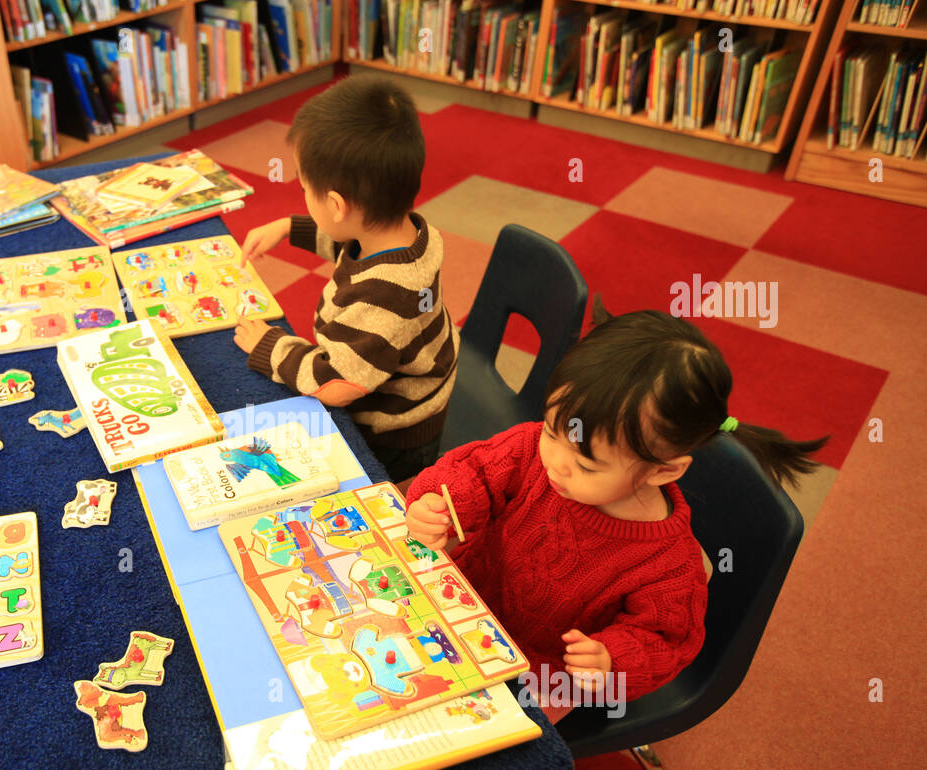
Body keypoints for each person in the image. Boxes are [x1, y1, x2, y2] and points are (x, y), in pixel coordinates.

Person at [404, 302, 827, 718]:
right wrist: (440, 504)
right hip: (463, 604)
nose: (556, 462)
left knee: (475, 762)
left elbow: (666, 640)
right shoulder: (534, 450)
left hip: (540, 675)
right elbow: (472, 471)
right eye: (553, 432)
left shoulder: (667, 564)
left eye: (587, 464)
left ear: (663, 471)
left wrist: (611, 660)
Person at [233, 76, 457, 483]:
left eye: (303, 184)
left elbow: (336, 384)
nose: (300, 190)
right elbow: (349, 242)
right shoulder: (402, 231)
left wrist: (268, 346)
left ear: (336, 204)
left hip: (392, 430)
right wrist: (288, 226)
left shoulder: (385, 297)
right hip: (389, 377)